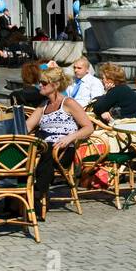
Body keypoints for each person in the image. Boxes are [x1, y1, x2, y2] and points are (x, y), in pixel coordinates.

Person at [24, 64, 93, 220]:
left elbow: (88, 127)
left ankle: (36, 197)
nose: (40, 85)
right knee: (25, 152)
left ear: (55, 85)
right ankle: (16, 197)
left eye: (44, 83)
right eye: (40, 82)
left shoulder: (68, 103)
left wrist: (69, 137)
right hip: (44, 148)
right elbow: (26, 127)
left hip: (63, 149)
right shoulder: (43, 106)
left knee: (47, 150)